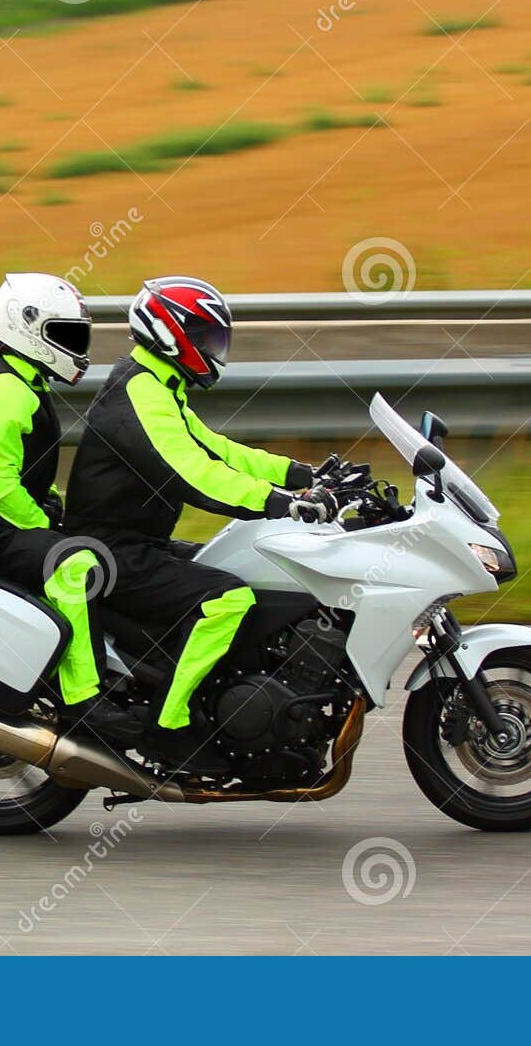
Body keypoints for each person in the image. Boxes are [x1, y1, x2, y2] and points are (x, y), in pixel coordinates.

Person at [63, 276, 337, 752]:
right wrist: (278, 503)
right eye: (208, 338)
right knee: (226, 599)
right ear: (173, 333)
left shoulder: (156, 385)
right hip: (110, 550)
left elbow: (219, 450)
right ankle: (169, 728)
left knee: (243, 572)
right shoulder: (140, 393)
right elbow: (192, 474)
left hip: (133, 543)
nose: (214, 350)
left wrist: (300, 473)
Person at [0, 272, 142, 747]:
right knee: (74, 563)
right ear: (28, 328)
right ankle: (84, 700)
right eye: (66, 334)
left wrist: (49, 512)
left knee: (83, 548)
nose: (76, 345)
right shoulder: (5, 386)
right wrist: (46, 527)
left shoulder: (14, 378)